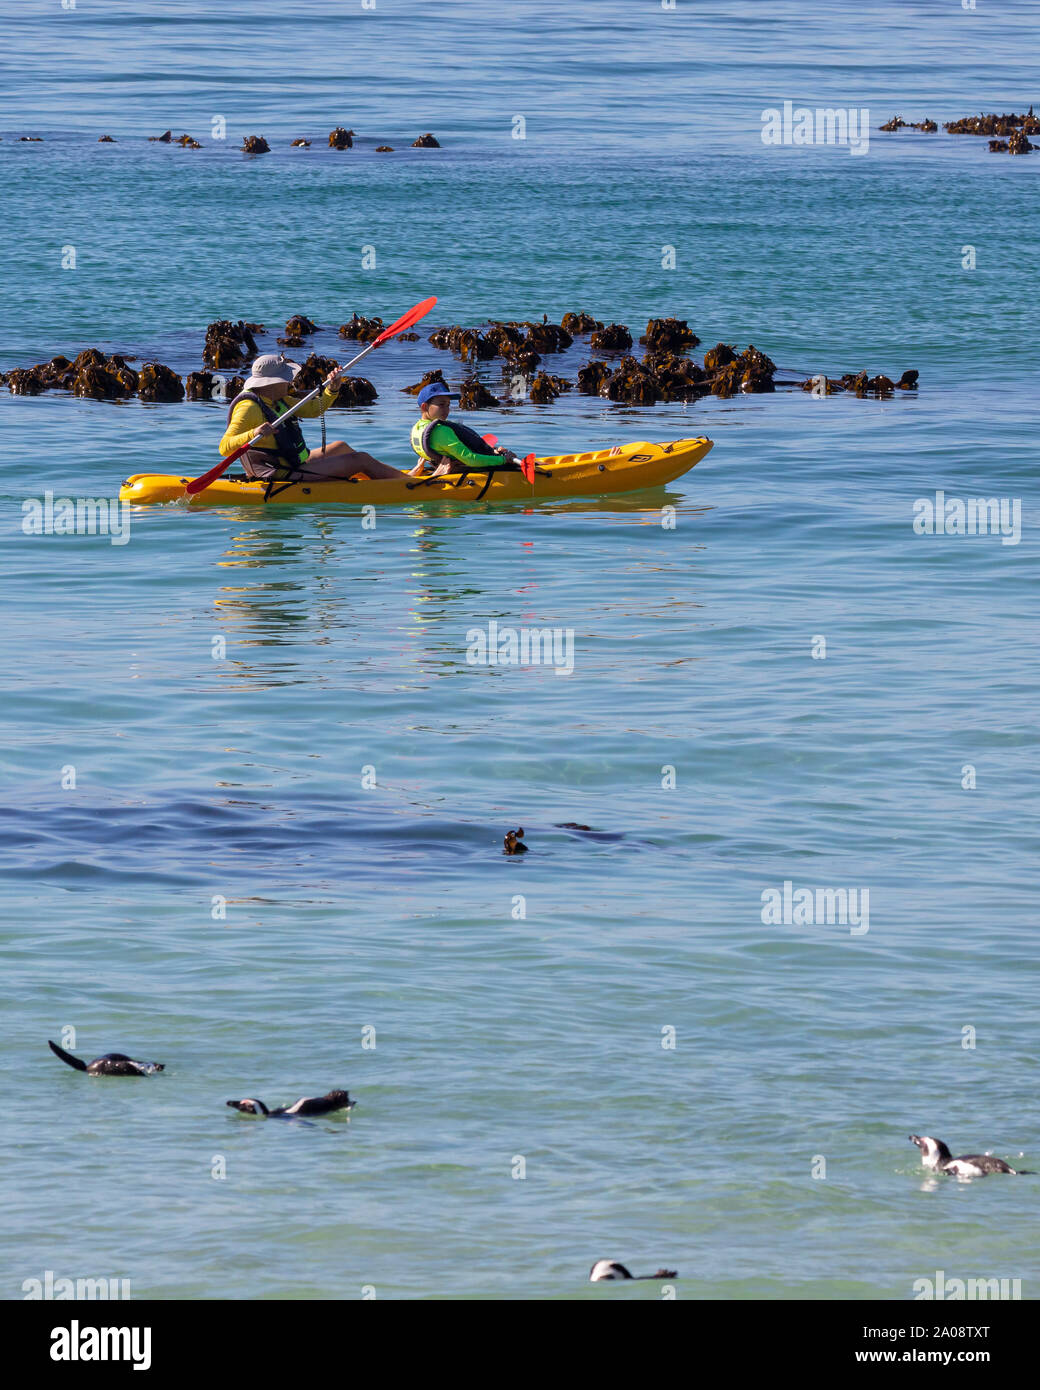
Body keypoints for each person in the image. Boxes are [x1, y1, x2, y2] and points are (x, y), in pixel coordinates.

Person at [221, 354, 409, 482]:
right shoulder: (249, 408)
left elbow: (314, 409)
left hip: (292, 463)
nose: (290, 381)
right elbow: (225, 447)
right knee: (361, 459)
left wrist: (332, 388)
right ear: (272, 383)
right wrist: (254, 432)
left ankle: (384, 477)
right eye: (286, 378)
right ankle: (408, 483)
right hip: (278, 474)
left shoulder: (278, 400)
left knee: (341, 446)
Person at [408, 382, 524, 479]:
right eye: (441, 404)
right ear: (424, 407)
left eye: (448, 405)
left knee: (495, 450)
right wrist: (503, 460)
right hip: (464, 469)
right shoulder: (440, 431)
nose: (447, 410)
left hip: (444, 468)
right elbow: (471, 460)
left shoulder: (416, 429)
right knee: (506, 456)